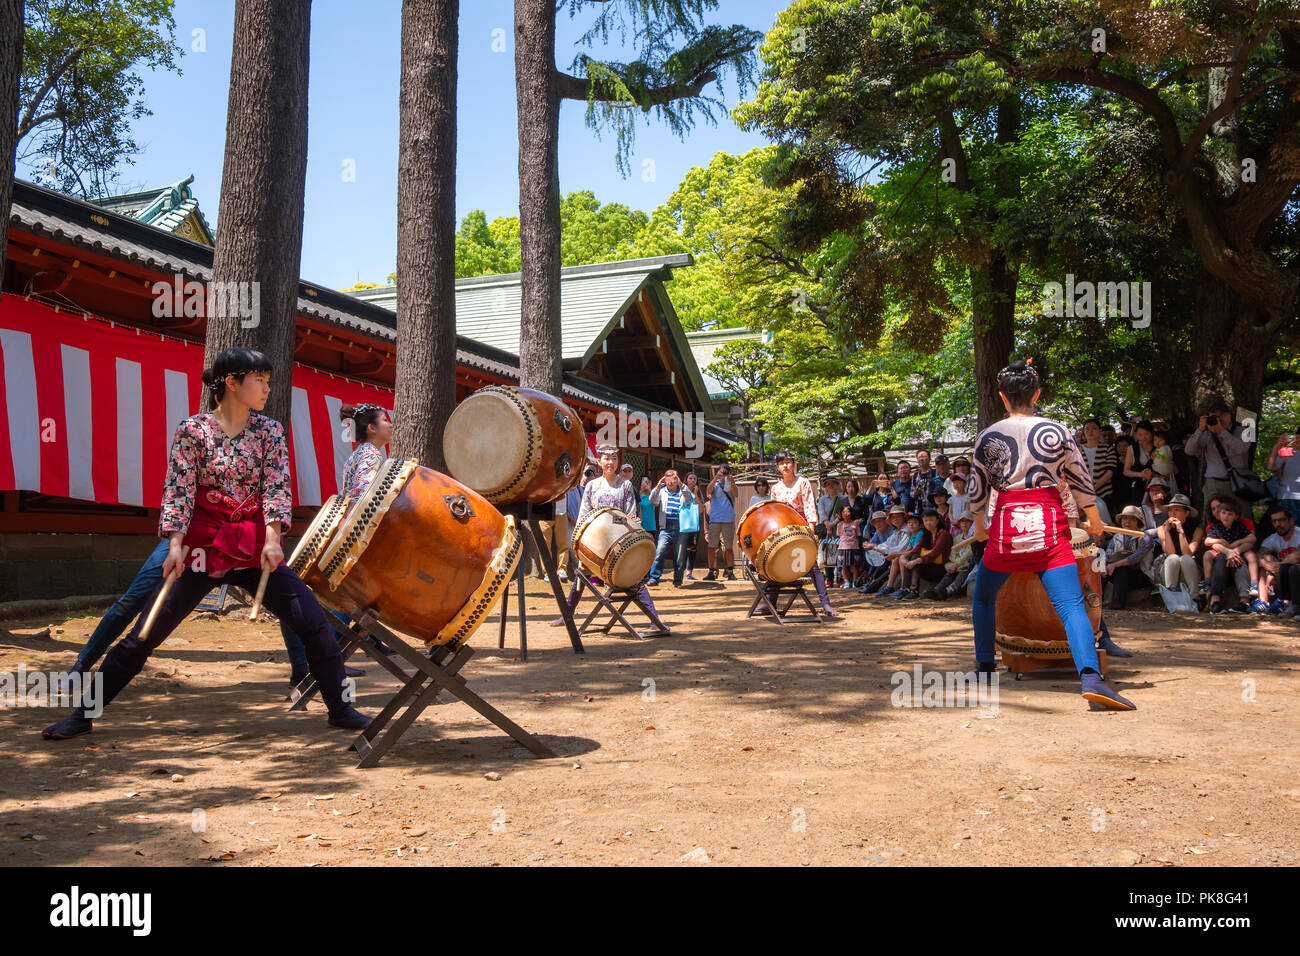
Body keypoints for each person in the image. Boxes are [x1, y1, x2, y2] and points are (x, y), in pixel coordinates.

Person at [43, 348, 370, 739]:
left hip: (251, 545)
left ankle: (339, 708)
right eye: (259, 380)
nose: (267, 387)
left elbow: (276, 488)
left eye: (268, 379)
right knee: (142, 635)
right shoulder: (192, 431)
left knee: (314, 623)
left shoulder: (270, 431)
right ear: (232, 383)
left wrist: (272, 538)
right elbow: (178, 491)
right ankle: (83, 715)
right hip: (201, 546)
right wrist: (175, 544)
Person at [967, 360, 1134, 710]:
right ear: (1037, 394)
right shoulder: (1057, 431)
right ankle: (1090, 679)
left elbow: (977, 490)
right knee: (1071, 605)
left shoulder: (988, 436)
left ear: (1002, 397)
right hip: (1048, 521)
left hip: (1006, 528)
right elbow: (1081, 482)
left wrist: (980, 527)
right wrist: (1095, 520)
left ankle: (984, 668)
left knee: (984, 598)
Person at [558, 445, 670, 634]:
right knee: (581, 575)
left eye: (614, 459)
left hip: (619, 540)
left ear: (618, 462)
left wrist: (616, 522)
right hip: (595, 541)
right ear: (600, 462)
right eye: (607, 459)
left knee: (633, 579)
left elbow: (630, 515)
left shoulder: (625, 485)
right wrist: (580, 541)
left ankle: (654, 619)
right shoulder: (592, 486)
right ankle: (567, 615)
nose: (610, 462)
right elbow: (584, 515)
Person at [769, 450, 841, 616]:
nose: (785, 466)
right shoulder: (775, 488)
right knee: (774, 563)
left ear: (794, 464)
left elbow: (809, 507)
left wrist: (811, 530)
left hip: (801, 528)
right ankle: (769, 603)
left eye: (788, 462)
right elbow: (773, 512)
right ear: (778, 467)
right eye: (781, 463)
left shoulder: (803, 482)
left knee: (812, 565)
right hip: (781, 530)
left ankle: (826, 604)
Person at [1184, 401, 1249, 506]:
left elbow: (1242, 449)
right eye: (1215, 416)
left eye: (1222, 415)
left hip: (1238, 483)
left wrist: (1221, 432)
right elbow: (1189, 451)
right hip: (1213, 484)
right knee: (1212, 518)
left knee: (1241, 517)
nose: (1219, 419)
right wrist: (1200, 430)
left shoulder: (1243, 430)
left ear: (1229, 416)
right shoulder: (1206, 434)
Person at [1203, 497, 1258, 614]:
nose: (1225, 516)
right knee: (1221, 558)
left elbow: (1251, 539)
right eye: (1223, 513)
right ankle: (1215, 601)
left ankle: (1244, 601)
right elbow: (1209, 543)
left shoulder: (1240, 526)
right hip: (1222, 561)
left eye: (1229, 514)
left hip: (1238, 559)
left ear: (1235, 516)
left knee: (1239, 560)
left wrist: (1236, 547)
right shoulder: (1215, 527)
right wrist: (1227, 551)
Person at [648, 468, 694, 589]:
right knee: (660, 552)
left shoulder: (682, 491)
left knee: (679, 556)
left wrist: (682, 485)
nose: (671, 482)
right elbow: (652, 500)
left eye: (673, 479)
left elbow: (689, 500)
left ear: (677, 479)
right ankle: (654, 578)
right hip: (665, 528)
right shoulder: (662, 491)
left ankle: (678, 580)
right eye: (668, 479)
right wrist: (658, 486)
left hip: (680, 528)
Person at [1102, 506, 1153, 610]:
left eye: (1131, 519)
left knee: (1121, 569)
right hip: (1116, 572)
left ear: (1138, 522)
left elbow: (1136, 557)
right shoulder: (1117, 536)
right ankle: (1096, 600)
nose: (1127, 522)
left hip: (1141, 575)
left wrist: (1114, 565)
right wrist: (1104, 566)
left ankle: (1117, 602)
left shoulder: (1145, 536)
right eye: (1124, 518)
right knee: (1099, 570)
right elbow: (1108, 554)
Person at [1155, 494, 1204, 598]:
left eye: (1177, 510)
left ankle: (1194, 597)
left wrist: (1181, 531)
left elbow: (1188, 553)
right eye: (1170, 510)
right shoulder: (1162, 528)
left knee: (1186, 558)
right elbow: (1170, 552)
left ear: (1186, 513)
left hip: (1189, 571)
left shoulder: (1197, 529)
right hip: (1169, 570)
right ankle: (1171, 596)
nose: (1172, 513)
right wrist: (1167, 532)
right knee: (1173, 558)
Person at [1257, 505, 1300, 617]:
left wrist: (1275, 569)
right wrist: (1267, 565)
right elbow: (1258, 556)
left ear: (1291, 521)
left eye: (1281, 520)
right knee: (1267, 559)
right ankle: (1263, 603)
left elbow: (1297, 556)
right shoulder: (1272, 539)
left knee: (1290, 568)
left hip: (1296, 575)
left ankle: (1287, 603)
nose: (1277, 524)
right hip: (1283, 577)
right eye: (1274, 521)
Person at [902, 509, 952, 600]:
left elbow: (934, 553)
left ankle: (914, 590)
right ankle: (905, 589)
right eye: (926, 520)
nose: (928, 523)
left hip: (940, 568)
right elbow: (916, 550)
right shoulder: (926, 534)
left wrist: (916, 561)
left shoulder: (943, 534)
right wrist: (904, 558)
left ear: (937, 520)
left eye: (931, 520)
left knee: (916, 560)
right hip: (929, 566)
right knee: (912, 557)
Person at [859, 505, 909, 594]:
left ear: (903, 517)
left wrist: (876, 547)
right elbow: (887, 544)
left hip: (907, 554)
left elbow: (900, 548)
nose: (895, 519)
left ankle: (902, 587)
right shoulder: (896, 531)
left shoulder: (906, 530)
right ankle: (876, 582)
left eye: (898, 516)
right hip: (894, 554)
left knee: (893, 559)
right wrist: (873, 546)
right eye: (893, 517)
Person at [1079, 418, 1118, 523]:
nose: (1090, 431)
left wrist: (1093, 488)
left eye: (1094, 428)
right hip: (1082, 492)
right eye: (1087, 429)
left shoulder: (1108, 448)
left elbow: (1110, 471)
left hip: (1104, 492)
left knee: (1106, 525)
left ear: (1100, 431)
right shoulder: (1077, 450)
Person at [703, 465, 737, 581]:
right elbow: (708, 491)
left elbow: (736, 494)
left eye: (725, 473)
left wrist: (731, 482)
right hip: (715, 519)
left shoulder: (731, 484)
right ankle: (711, 572)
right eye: (721, 472)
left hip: (728, 519)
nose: (723, 475)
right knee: (711, 547)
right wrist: (714, 479)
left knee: (728, 547)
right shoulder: (715, 485)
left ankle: (730, 571)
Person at [933, 513, 978, 599]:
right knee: (951, 571)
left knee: (963, 570)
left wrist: (957, 564)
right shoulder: (957, 538)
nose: (964, 524)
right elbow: (952, 554)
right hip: (957, 564)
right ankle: (937, 589)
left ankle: (948, 591)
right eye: (962, 522)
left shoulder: (974, 538)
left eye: (967, 521)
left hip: (968, 564)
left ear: (972, 523)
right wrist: (956, 564)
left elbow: (969, 553)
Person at [1121, 420, 1158, 507]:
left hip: (1156, 486)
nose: (1143, 437)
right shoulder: (1132, 449)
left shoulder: (1158, 447)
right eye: (1140, 434)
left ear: (1152, 433)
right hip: (1139, 488)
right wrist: (1140, 474)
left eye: (1146, 434)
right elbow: (1126, 471)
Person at [1267, 429, 1300, 523]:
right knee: (1288, 531)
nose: (1297, 440)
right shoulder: (1288, 452)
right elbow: (1271, 467)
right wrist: (1277, 447)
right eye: (1296, 437)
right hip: (1286, 497)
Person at [833, 505, 864, 589]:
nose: (846, 514)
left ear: (851, 513)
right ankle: (846, 581)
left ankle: (854, 581)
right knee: (844, 566)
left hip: (854, 547)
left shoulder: (855, 523)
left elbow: (858, 535)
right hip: (843, 547)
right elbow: (839, 535)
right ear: (841, 514)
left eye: (848, 511)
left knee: (854, 566)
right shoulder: (839, 525)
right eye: (844, 512)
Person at [682, 471, 702, 581]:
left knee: (692, 549)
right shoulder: (681, 491)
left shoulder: (698, 493)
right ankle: (680, 570)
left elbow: (701, 510)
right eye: (690, 478)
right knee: (682, 548)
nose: (692, 480)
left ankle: (689, 572)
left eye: (694, 479)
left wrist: (695, 495)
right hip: (683, 524)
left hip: (694, 524)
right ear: (686, 480)